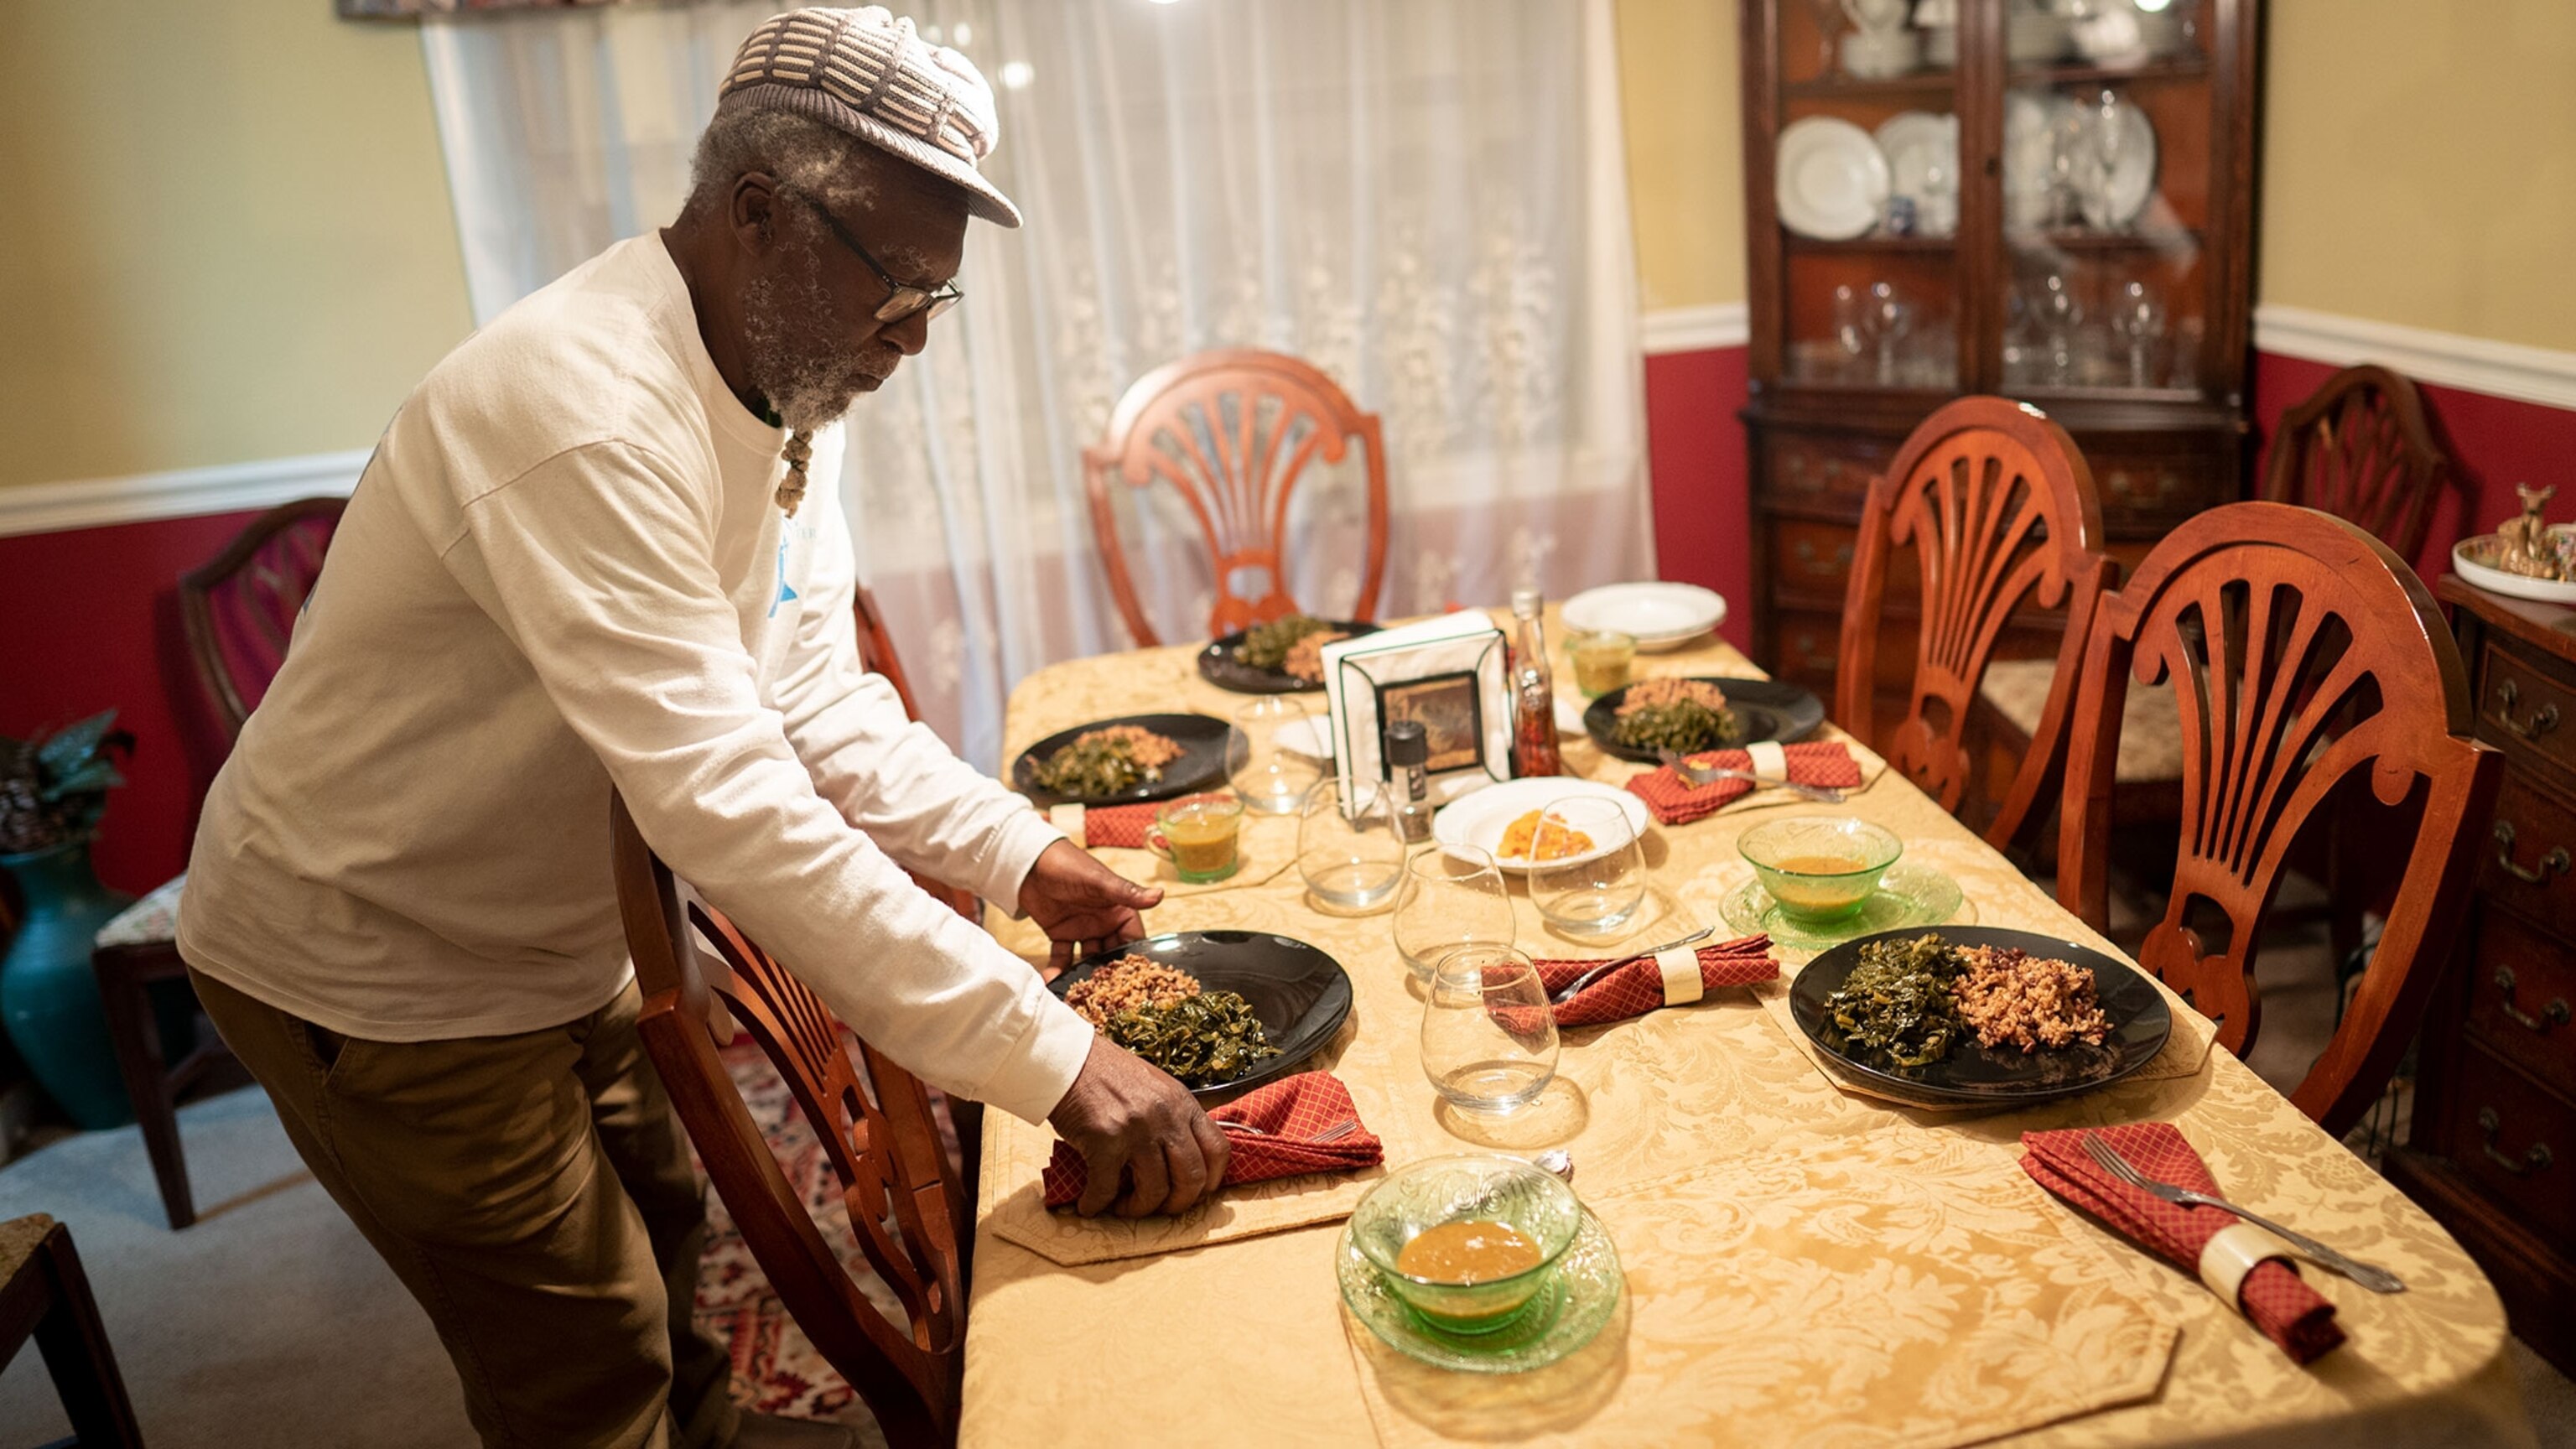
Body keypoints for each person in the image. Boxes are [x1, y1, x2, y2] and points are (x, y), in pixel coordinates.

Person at [173, 9, 1227, 1446]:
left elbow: (803, 696)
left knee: (663, 1257)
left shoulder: (791, 384)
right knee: (586, 1368)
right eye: (899, 283)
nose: (915, 335)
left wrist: (1016, 856)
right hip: (378, 961)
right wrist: (1051, 1057)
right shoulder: (584, 407)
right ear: (756, 215)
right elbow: (732, 802)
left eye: (941, 294)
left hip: (562, 923)